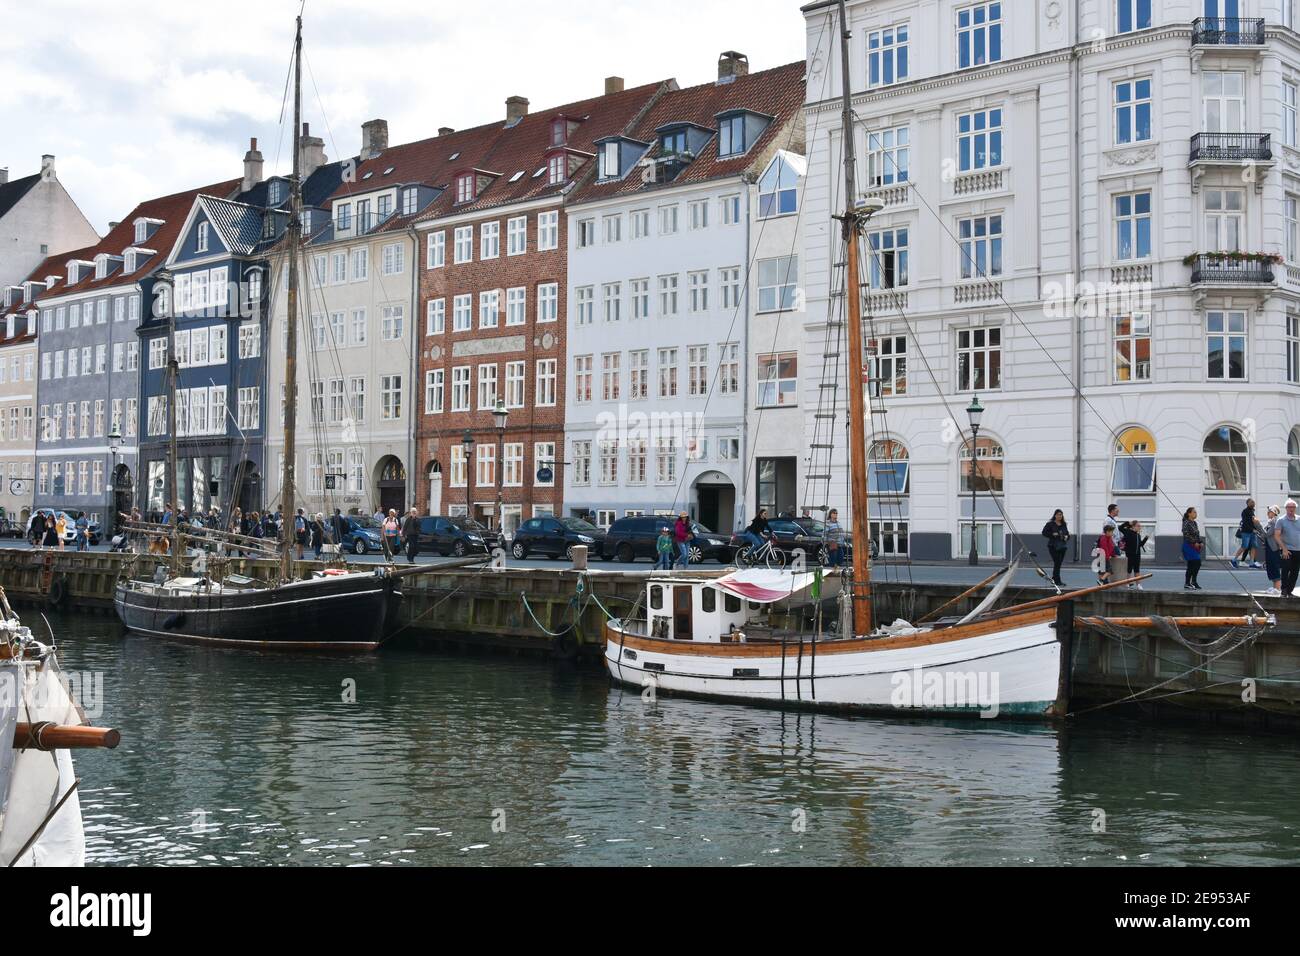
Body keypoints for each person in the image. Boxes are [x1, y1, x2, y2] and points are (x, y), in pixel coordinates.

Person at [1273, 499, 1300, 597]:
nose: (1291, 509)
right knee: (1285, 570)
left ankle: (1290, 591)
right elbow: (1276, 536)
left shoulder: (1299, 519)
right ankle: (1284, 591)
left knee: (1295, 572)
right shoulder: (1281, 520)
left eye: (1293, 507)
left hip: (1298, 550)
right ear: (1286, 508)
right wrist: (1283, 549)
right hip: (1286, 549)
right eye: (1289, 507)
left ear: (1295, 508)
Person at [1042, 510, 1070, 586]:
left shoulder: (1063, 524)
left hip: (1062, 546)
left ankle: (1054, 579)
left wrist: (1067, 537)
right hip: (1053, 546)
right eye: (1058, 515)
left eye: (1061, 515)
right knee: (1057, 562)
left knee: (1058, 564)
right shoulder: (1050, 524)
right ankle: (1057, 581)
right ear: (1055, 515)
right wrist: (1052, 534)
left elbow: (1067, 534)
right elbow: (1044, 533)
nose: (1059, 516)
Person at [1232, 498, 1261, 569]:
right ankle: (1234, 560)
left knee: (1254, 546)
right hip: (1246, 532)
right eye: (1251, 502)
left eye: (1253, 502)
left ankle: (1251, 563)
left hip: (1252, 532)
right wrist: (1252, 530)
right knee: (1244, 546)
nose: (1253, 503)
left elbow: (1252, 522)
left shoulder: (1252, 511)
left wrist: (1256, 529)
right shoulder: (1245, 511)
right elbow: (1245, 523)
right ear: (1247, 503)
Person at [1119, 519, 1147, 589]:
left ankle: (1138, 585)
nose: (1139, 527)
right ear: (1133, 526)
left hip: (1137, 554)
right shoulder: (1128, 531)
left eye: (1140, 526)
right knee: (1129, 569)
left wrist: (1145, 539)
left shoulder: (1138, 535)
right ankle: (1127, 583)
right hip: (1130, 554)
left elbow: (1140, 545)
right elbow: (1120, 528)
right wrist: (1127, 523)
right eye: (1138, 526)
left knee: (1137, 570)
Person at [1262, 505, 1283, 596]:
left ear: (1274, 513)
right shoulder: (1271, 521)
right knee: (1270, 566)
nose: (1267, 513)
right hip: (1269, 547)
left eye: (1269, 511)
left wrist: (1257, 524)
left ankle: (1278, 588)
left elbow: (1267, 534)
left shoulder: (1275, 522)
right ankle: (1275, 587)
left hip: (1274, 548)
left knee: (1274, 566)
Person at [1182, 507, 1205, 591]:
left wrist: (1200, 541)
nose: (1196, 514)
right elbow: (1186, 534)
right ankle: (1188, 583)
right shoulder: (1186, 522)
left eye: (1196, 512)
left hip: (1195, 546)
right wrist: (1194, 542)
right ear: (1189, 514)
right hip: (1188, 546)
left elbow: (1197, 535)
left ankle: (1192, 582)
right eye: (1194, 512)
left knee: (1192, 564)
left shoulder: (1194, 523)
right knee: (1196, 562)